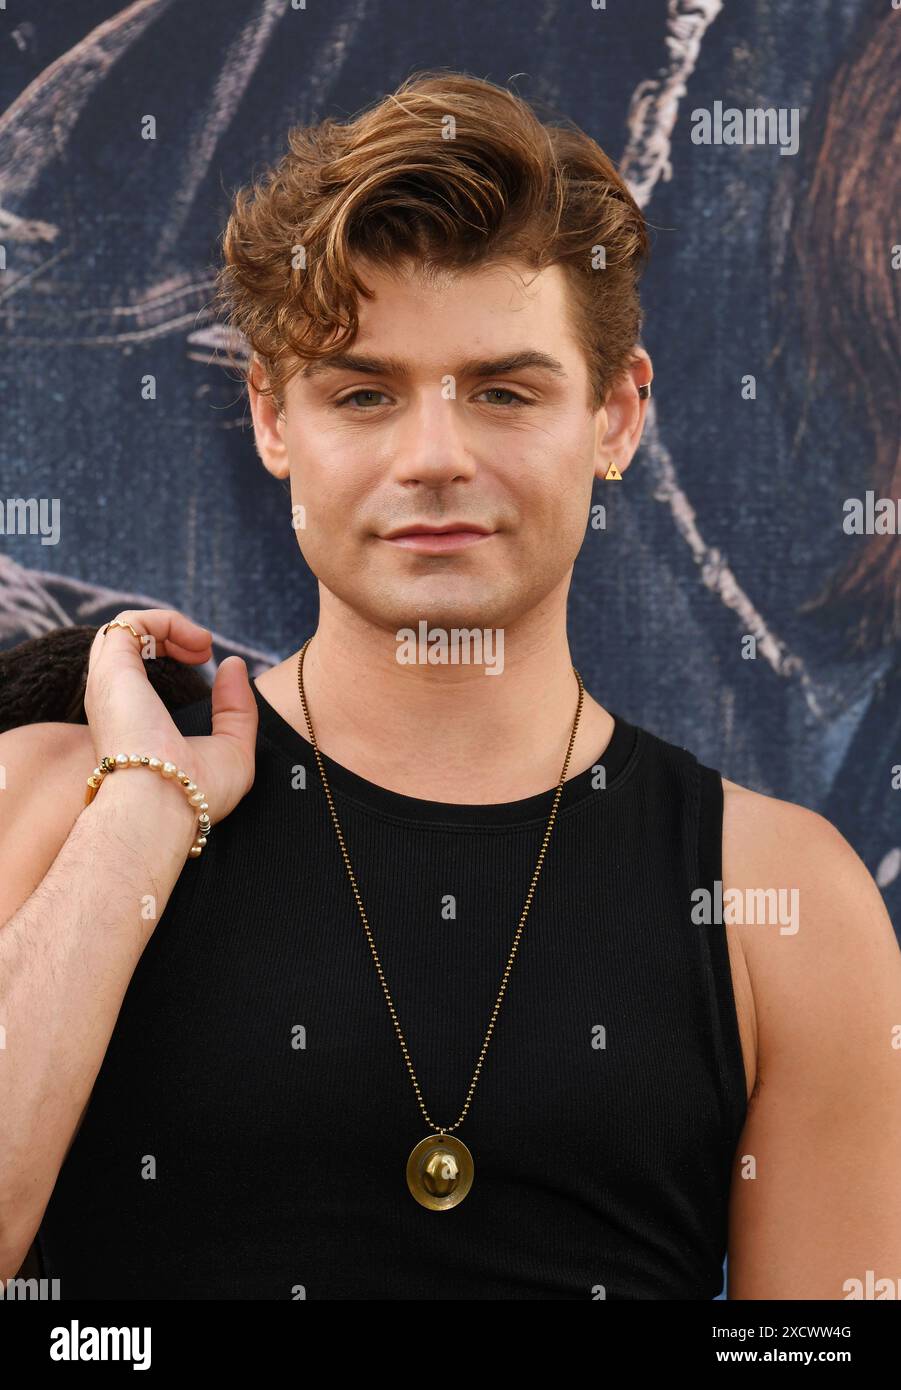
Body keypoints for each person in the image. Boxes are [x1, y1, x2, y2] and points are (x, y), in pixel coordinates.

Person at [0, 72, 898, 1301]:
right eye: (362, 392)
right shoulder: (53, 807)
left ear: (617, 417)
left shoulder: (780, 897)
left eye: (503, 391)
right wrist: (139, 820)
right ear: (271, 417)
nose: (433, 457)